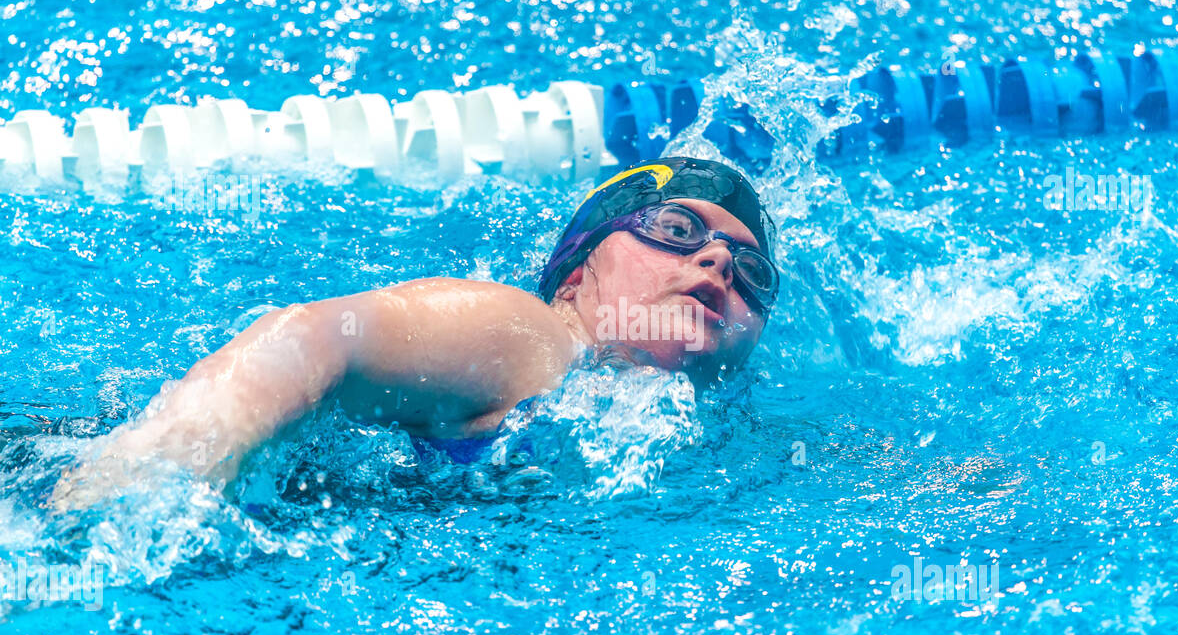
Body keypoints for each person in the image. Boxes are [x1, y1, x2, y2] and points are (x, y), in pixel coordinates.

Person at [48, 155, 779, 511]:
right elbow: (315, 336)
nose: (717, 262)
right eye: (678, 230)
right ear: (577, 276)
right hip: (61, 479)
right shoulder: (534, 339)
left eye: (751, 274)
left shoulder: (705, 441)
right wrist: (136, 484)